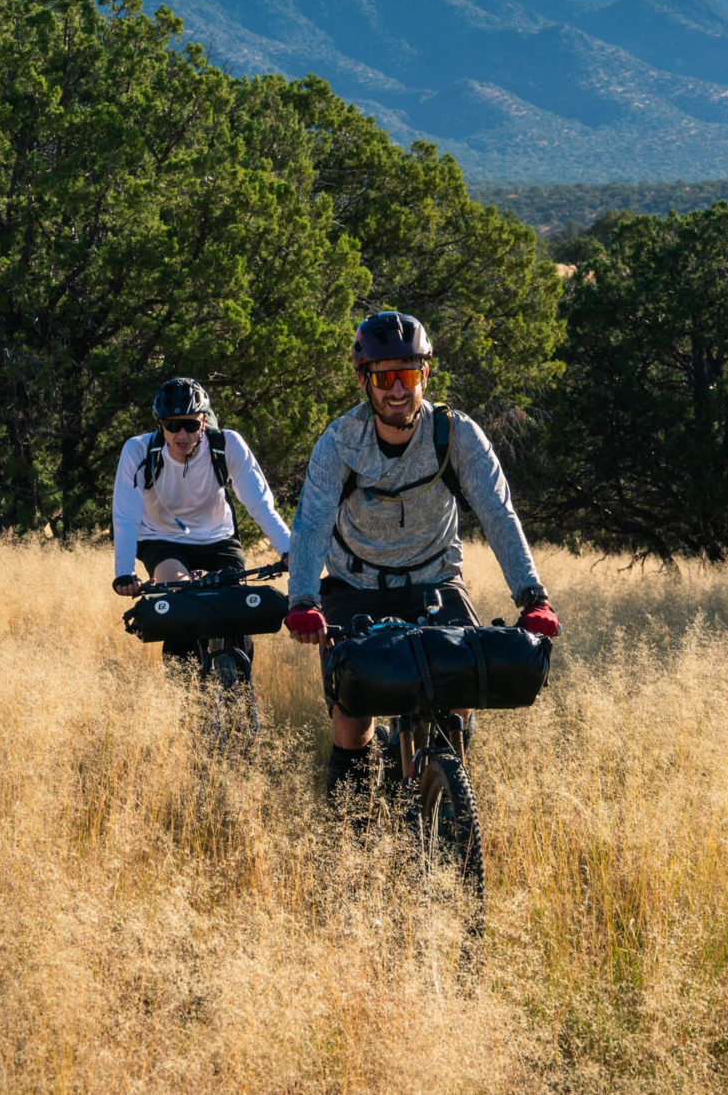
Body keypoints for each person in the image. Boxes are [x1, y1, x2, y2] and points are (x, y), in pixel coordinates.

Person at [282, 310, 560, 805]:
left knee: (464, 691)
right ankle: (351, 833)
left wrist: (533, 595)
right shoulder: (340, 442)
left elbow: (499, 513)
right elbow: (310, 524)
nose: (396, 390)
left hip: (435, 580)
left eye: (407, 376)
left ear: (425, 376)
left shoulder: (455, 435)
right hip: (355, 587)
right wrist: (303, 599)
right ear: (364, 380)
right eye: (384, 377)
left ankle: (443, 798)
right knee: (352, 714)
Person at [112, 378, 292, 669]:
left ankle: (242, 693)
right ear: (160, 425)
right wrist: (124, 573)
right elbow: (125, 515)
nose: (182, 435)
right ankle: (188, 697)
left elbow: (259, 503)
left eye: (191, 426)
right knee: (182, 601)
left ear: (204, 422)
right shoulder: (138, 451)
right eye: (173, 425)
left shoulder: (227, 444)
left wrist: (288, 549)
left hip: (218, 538)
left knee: (237, 613)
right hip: (162, 538)